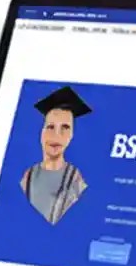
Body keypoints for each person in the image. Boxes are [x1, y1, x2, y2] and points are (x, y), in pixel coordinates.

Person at [20, 85, 91, 225]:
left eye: (65, 128)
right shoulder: (27, 177)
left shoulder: (77, 181)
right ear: (41, 133)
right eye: (50, 127)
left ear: (71, 135)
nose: (57, 135)